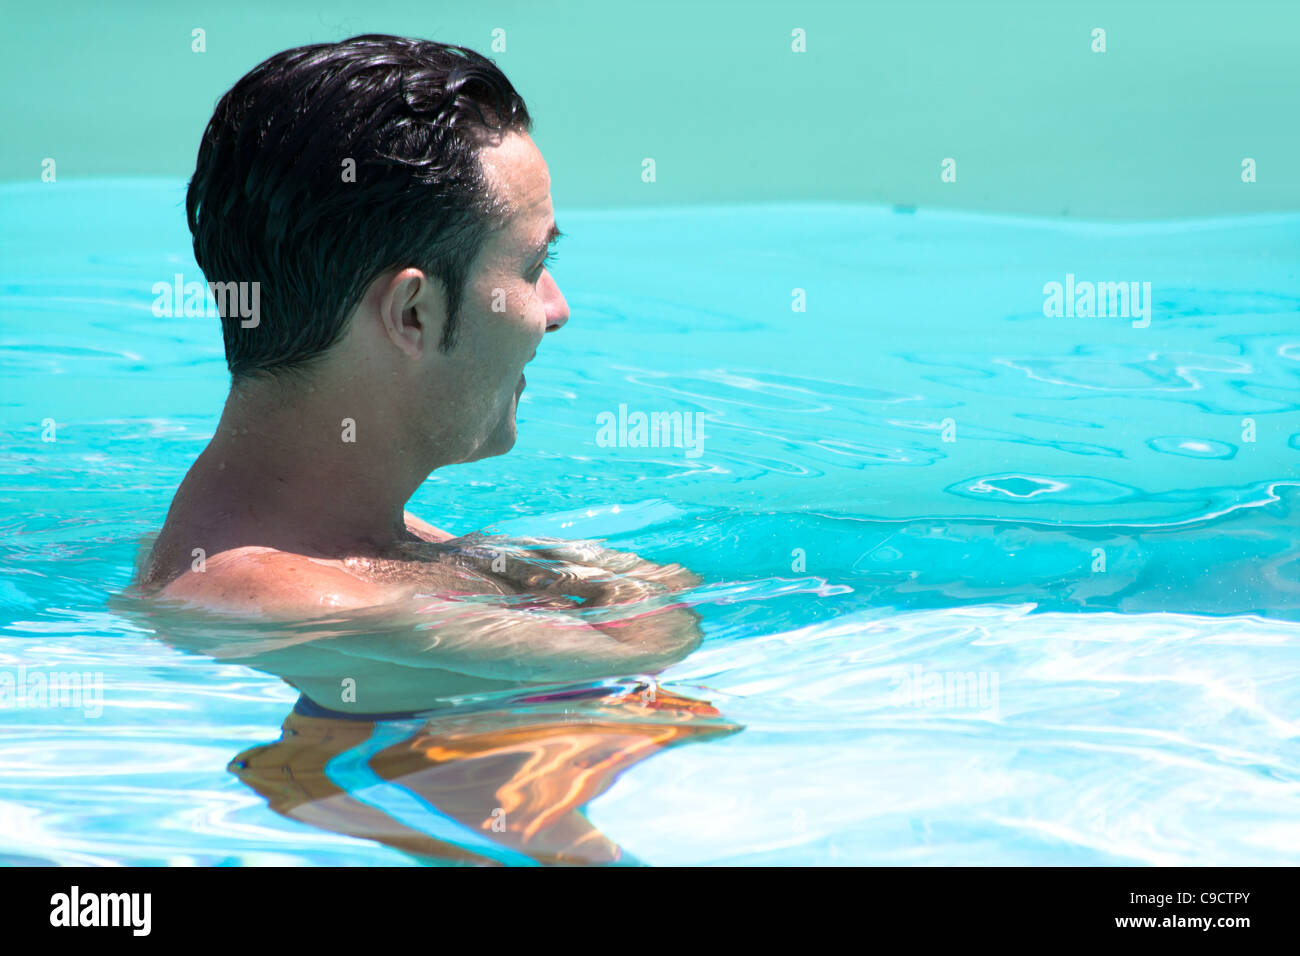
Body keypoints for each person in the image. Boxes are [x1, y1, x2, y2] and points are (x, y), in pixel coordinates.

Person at [134, 35, 703, 694]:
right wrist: (638, 603)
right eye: (533, 267)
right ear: (412, 314)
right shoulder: (302, 600)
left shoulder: (343, 537)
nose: (556, 308)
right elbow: (636, 648)